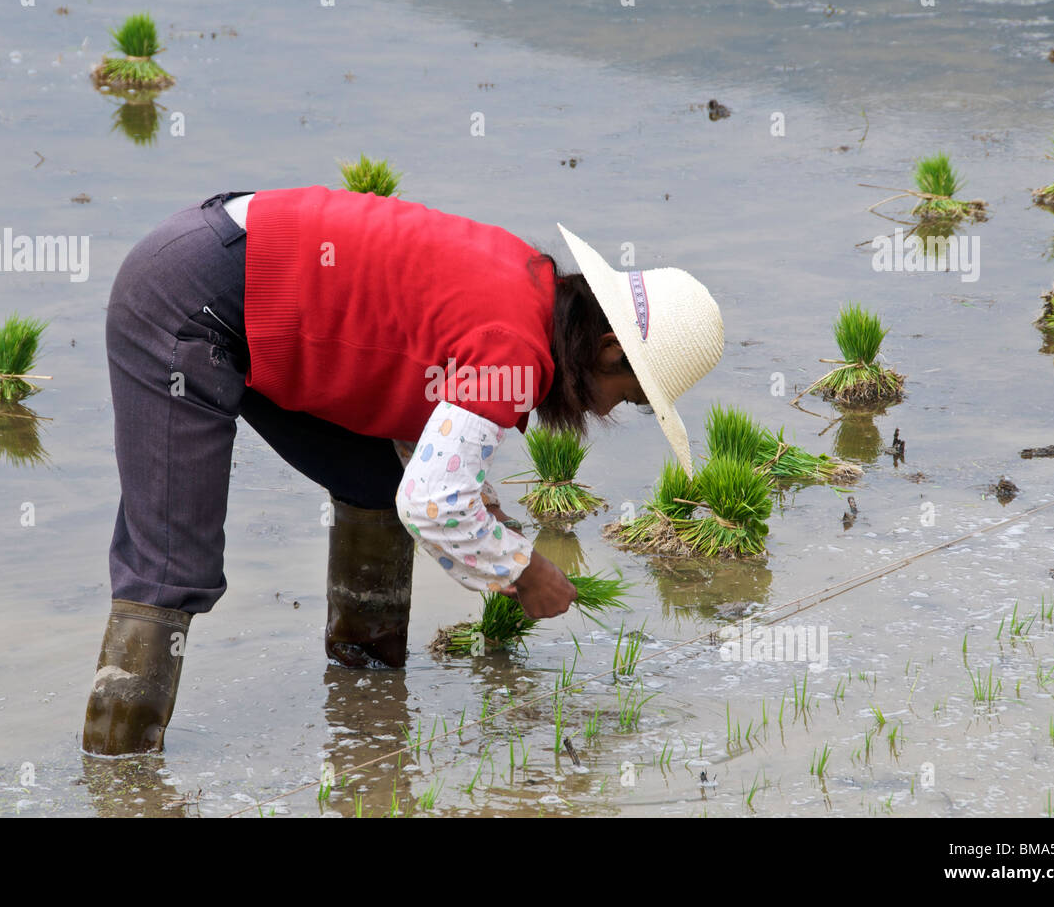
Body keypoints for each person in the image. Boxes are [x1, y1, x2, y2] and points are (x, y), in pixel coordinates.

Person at [82, 187, 723, 756]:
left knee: (376, 489)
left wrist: (486, 515)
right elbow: (437, 504)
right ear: (609, 350)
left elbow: (412, 390)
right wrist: (528, 572)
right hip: (190, 298)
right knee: (172, 566)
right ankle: (121, 775)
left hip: (248, 277)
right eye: (630, 398)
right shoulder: (517, 347)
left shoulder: (529, 286)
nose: (609, 413)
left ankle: (365, 697)